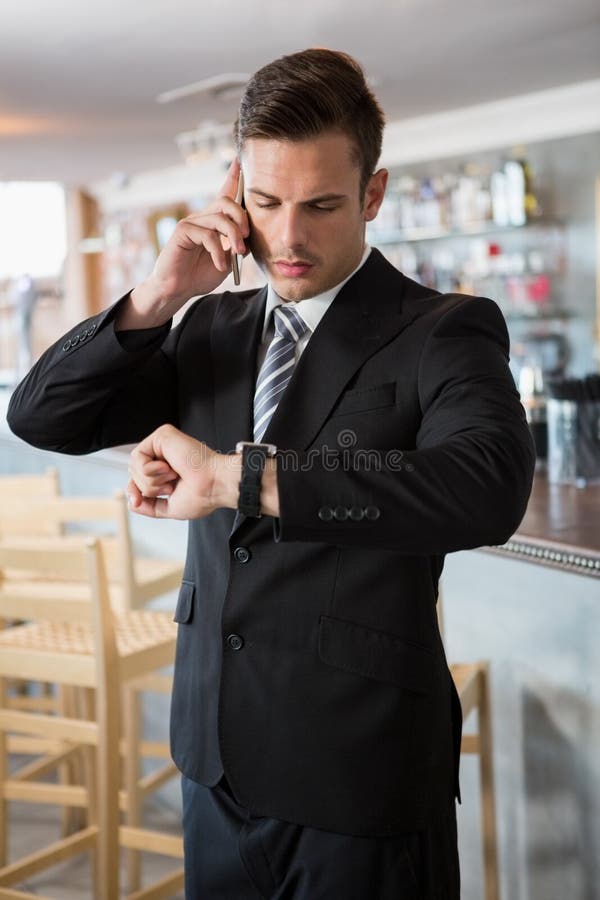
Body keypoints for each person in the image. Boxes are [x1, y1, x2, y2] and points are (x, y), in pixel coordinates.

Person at [8, 48, 535, 899]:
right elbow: (41, 416)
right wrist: (156, 294)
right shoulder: (207, 324)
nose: (288, 237)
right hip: (214, 760)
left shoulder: (444, 329)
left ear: (372, 194)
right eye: (265, 201)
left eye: (322, 205)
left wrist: (236, 480)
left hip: (357, 777)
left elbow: (486, 490)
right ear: (235, 193)